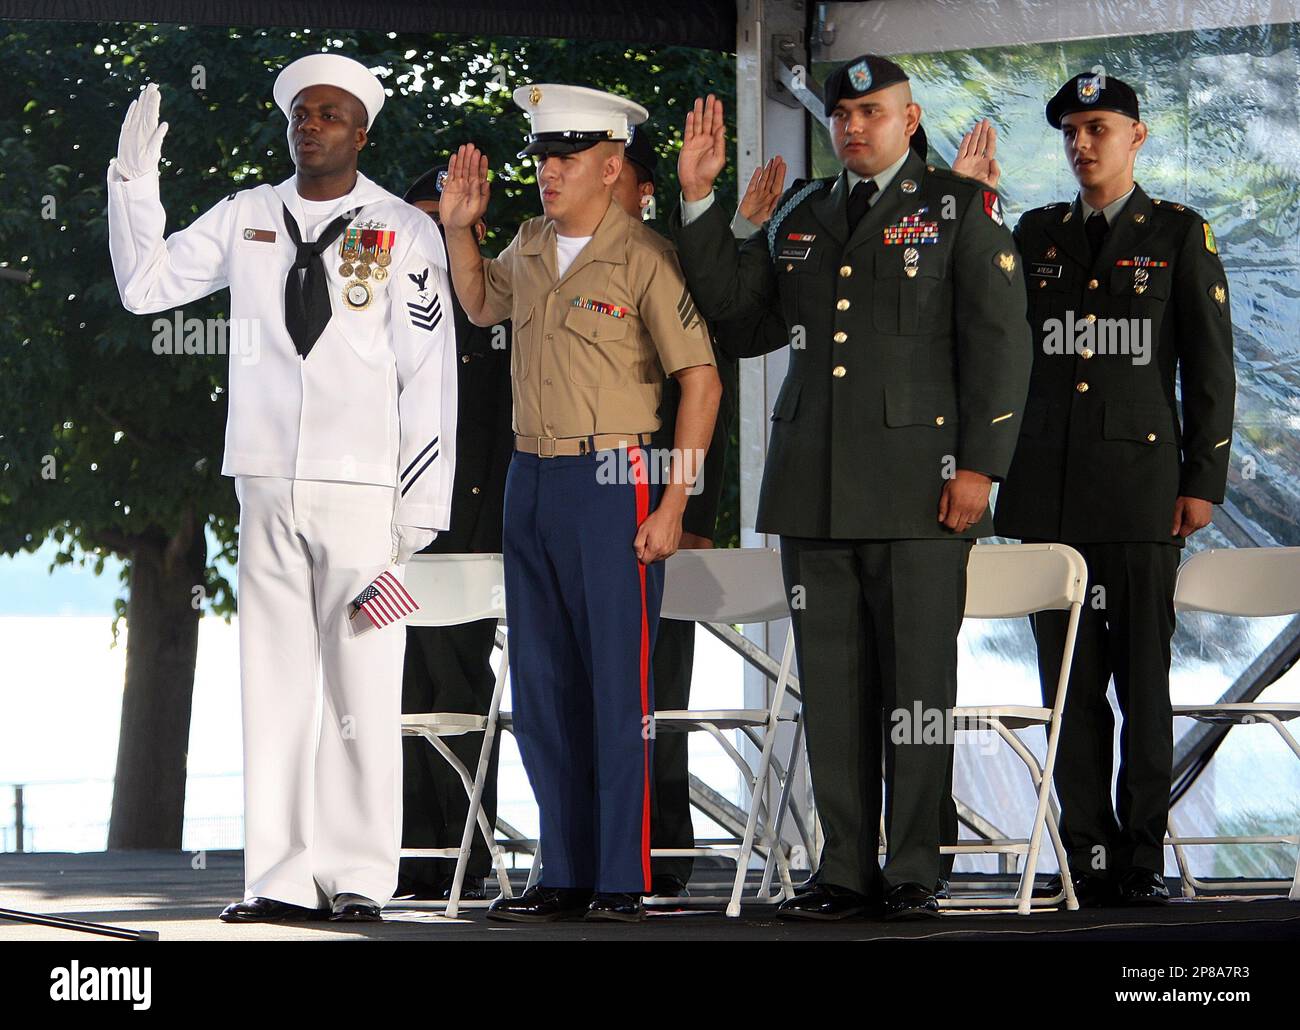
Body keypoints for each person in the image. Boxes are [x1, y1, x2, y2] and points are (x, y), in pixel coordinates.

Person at [670, 55, 1032, 920]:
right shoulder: (804, 211)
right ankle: (843, 870)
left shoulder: (958, 209)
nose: (853, 128)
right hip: (815, 489)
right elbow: (738, 316)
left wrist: (981, 465)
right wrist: (700, 205)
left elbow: (1000, 343)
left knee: (916, 688)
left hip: (922, 490)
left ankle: (912, 868)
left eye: (872, 112)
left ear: (909, 120)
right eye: (843, 115)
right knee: (830, 690)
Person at [106, 54, 458, 923]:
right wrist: (133, 180)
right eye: (302, 113)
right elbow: (146, 285)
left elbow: (432, 376)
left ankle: (361, 879)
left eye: (330, 113)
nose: (312, 125)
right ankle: (279, 878)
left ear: (361, 131)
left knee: (362, 688)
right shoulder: (247, 215)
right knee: (273, 687)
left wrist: (413, 525)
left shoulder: (400, 230)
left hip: (365, 495)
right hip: (265, 485)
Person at [440, 84, 722, 923]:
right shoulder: (525, 244)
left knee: (616, 686)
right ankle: (560, 870)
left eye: (565, 158)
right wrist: (459, 229)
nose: (547, 171)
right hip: (532, 478)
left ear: (611, 166)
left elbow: (699, 381)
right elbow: (480, 303)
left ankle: (618, 876)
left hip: (615, 479)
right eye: (540, 157)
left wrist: (676, 499)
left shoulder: (645, 254)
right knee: (541, 683)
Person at [996, 73, 1236, 906]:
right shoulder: (1032, 233)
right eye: (1070, 130)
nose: (1082, 143)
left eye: (1098, 127)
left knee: (1143, 685)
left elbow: (1210, 366)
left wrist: (1203, 477)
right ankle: (1085, 855)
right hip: (1051, 494)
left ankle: (1138, 857)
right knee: (1069, 689)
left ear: (1137, 136)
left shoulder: (1176, 232)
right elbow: (997, 345)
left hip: (1140, 491)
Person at [395, 165, 513, 902]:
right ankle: (408, 857)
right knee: (393, 694)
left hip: (467, 529)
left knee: (458, 688)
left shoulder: (490, 305)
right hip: (385, 532)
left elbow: (504, 427)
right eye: (419, 224)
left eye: (444, 224)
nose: (431, 238)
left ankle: (464, 854)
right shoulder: (372, 304)